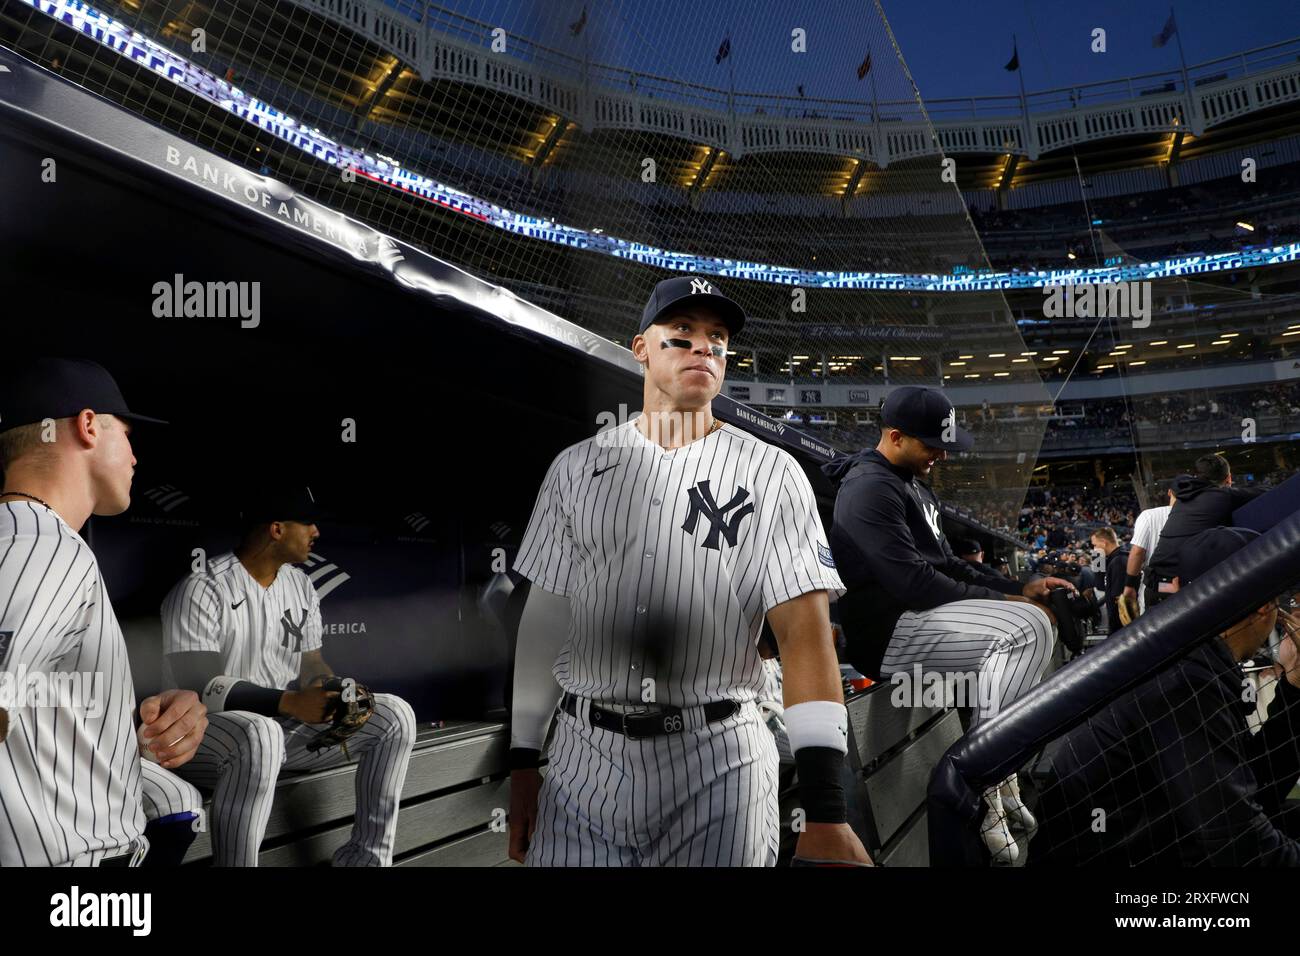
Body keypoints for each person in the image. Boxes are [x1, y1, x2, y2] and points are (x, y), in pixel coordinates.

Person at [508, 275, 870, 867]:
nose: (704, 347)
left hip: (720, 758)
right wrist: (524, 761)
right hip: (581, 760)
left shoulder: (773, 471)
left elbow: (805, 638)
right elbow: (547, 620)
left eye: (717, 338)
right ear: (641, 348)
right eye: (682, 335)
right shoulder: (575, 468)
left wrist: (827, 812)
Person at [823, 386, 1075, 864]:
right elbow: (915, 583)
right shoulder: (868, 487)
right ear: (895, 437)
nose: (941, 453)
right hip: (889, 634)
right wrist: (1007, 602)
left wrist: (1018, 586)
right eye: (931, 443)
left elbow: (951, 566)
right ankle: (985, 780)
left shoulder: (913, 483)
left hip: (923, 621)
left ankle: (1000, 774)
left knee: (1034, 623)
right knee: (1024, 628)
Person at [0, 357, 209, 866]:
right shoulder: (42, 545)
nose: (136, 457)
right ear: (89, 426)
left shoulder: (38, 541)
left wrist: (119, 732)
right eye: (128, 435)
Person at [159, 487, 416, 866]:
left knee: (395, 715)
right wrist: (291, 702)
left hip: (276, 732)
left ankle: (364, 861)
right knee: (260, 734)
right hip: (199, 737)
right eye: (307, 523)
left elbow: (312, 663)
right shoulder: (203, 587)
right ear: (276, 529)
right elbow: (202, 688)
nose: (316, 532)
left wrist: (331, 690)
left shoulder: (300, 584)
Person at [1032, 527, 1300, 866]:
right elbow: (1238, 847)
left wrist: (1293, 689)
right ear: (1264, 606)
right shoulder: (1185, 682)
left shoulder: (1185, 656)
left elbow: (1250, 787)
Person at [1145, 456, 1265, 610]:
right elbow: (1269, 492)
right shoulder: (1224, 496)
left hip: (1154, 588)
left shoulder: (1182, 499)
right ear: (1228, 479)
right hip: (1179, 591)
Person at [1124, 483, 1174, 617]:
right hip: (1188, 586)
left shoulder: (1149, 515)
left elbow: (1137, 551)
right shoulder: (1200, 517)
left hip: (1156, 586)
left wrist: (1129, 586)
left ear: (1170, 492)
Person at [1089, 527, 1130, 635]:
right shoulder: (1113, 559)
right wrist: (1097, 559)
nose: (1094, 549)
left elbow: (1118, 599)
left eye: (1095, 545)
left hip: (1121, 626)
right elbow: (1100, 586)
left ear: (1103, 543)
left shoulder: (1119, 561)